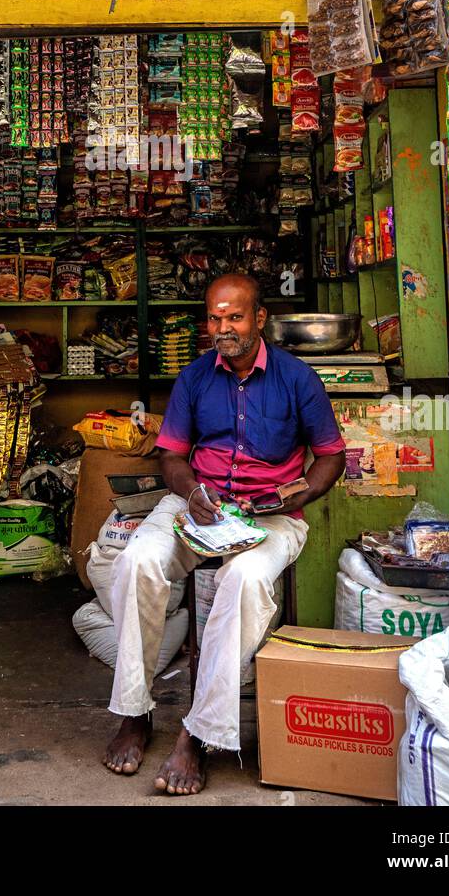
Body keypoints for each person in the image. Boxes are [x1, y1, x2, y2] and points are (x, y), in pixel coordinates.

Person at [103, 272, 346, 795]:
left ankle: (198, 733)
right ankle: (134, 711)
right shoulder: (194, 378)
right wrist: (191, 491)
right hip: (200, 503)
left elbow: (331, 456)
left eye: (234, 317)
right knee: (138, 561)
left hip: (272, 514)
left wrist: (296, 497)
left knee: (245, 582)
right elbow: (171, 454)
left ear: (259, 319)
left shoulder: (297, 379)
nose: (223, 327)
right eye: (214, 317)